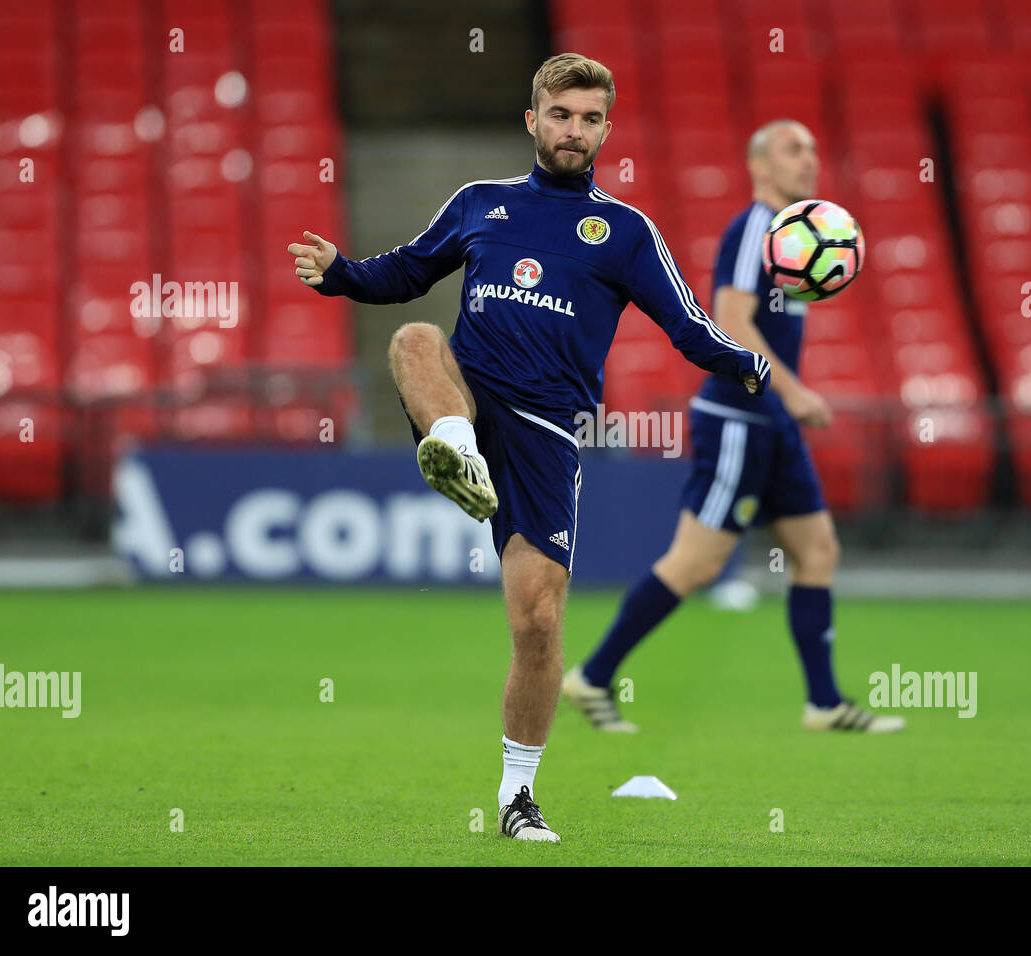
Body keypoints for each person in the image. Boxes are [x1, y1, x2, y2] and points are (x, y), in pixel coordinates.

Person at [286, 53, 770, 842]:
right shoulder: (481, 203)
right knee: (414, 338)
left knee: (539, 623)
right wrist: (341, 273)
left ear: (606, 129)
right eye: (561, 114)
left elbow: (686, 325)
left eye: (589, 119)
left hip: (547, 431)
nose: (573, 130)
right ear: (532, 120)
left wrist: (746, 364)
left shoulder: (624, 231)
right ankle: (456, 451)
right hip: (469, 395)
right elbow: (407, 273)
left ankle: (516, 798)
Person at [563, 120, 904, 736]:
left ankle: (823, 702)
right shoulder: (758, 229)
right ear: (760, 166)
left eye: (813, 149)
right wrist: (794, 391)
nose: (809, 160)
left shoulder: (796, 237)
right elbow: (727, 320)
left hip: (772, 424)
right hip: (739, 418)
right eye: (793, 149)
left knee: (818, 550)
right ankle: (592, 675)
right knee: (694, 565)